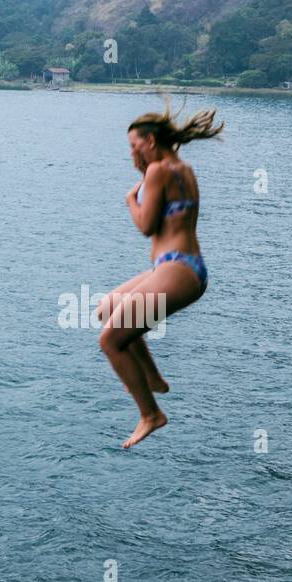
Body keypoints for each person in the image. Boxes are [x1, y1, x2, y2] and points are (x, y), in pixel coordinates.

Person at [96, 99, 223, 448]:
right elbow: (167, 208)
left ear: (150, 141)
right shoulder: (180, 168)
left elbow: (147, 225)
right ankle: (153, 378)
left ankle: (151, 414)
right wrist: (144, 176)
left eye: (134, 146)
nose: (132, 154)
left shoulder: (158, 171)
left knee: (109, 340)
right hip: (181, 266)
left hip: (179, 268)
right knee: (107, 308)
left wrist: (130, 200)